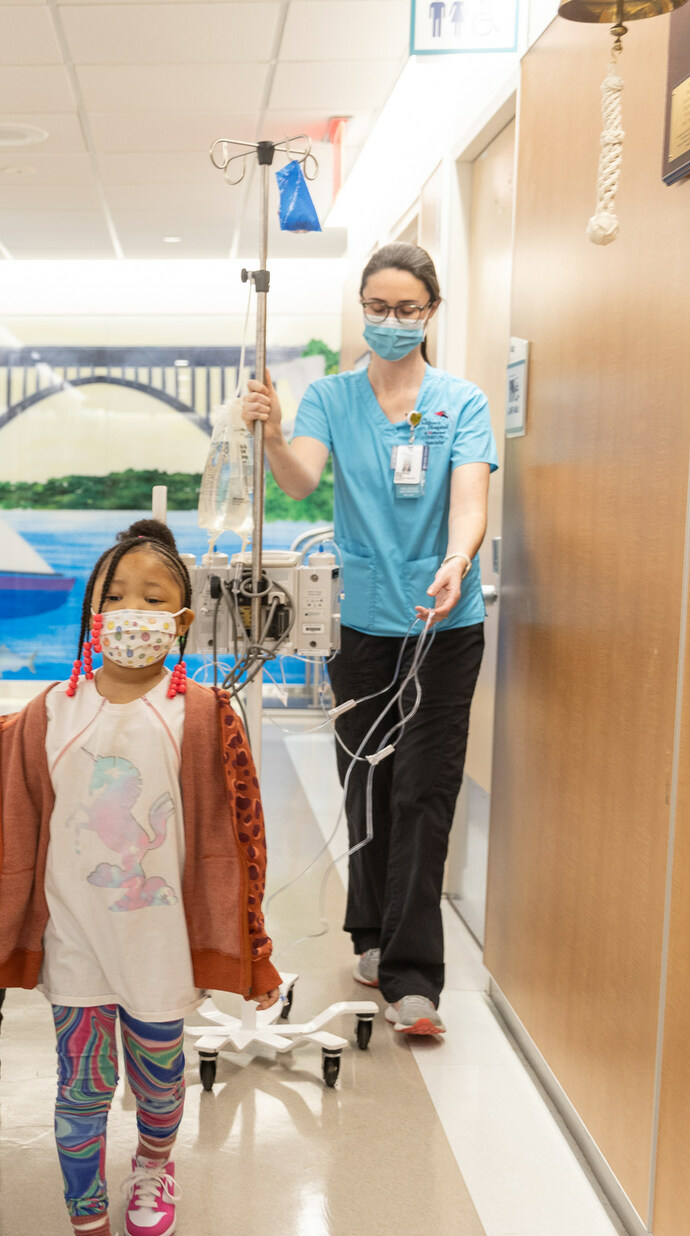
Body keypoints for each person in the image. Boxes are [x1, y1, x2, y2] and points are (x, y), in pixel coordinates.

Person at [0, 519, 284, 1236]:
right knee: (80, 1096)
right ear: (90, 614)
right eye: (115, 597)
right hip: (78, 949)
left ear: (183, 621)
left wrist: (249, 934)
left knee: (157, 1085)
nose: (133, 611)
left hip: (159, 952)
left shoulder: (202, 717)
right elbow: (12, 833)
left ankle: (155, 1166)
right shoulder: (47, 717)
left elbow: (243, 830)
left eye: (154, 598)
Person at [238, 241, 495, 1039]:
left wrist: (457, 562)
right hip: (362, 627)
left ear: (431, 311)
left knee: (425, 789)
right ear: (363, 309)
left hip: (442, 626)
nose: (390, 322)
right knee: (366, 785)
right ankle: (372, 933)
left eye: (406, 309)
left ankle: (415, 979)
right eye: (377, 308)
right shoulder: (330, 398)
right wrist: (276, 434)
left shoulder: (461, 402)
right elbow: (301, 480)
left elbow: (468, 501)